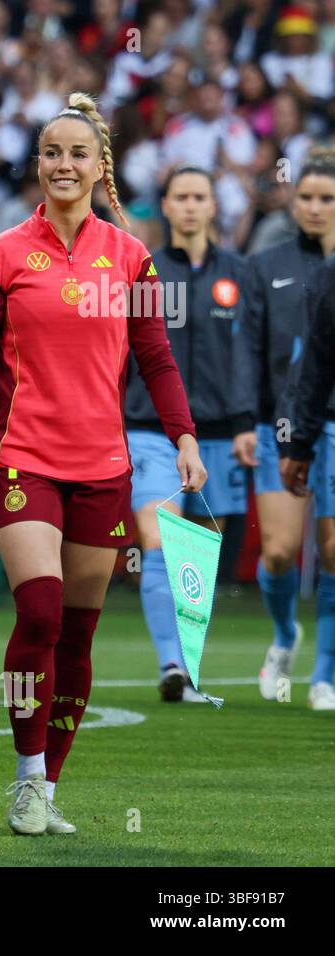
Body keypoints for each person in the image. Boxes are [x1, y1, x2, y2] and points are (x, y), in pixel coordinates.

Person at [0, 93, 204, 836]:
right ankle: (24, 780)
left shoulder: (131, 256)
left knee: (79, 634)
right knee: (42, 612)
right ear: (38, 164)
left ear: (98, 166)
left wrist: (183, 438)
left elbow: (156, 356)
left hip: (105, 465)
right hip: (23, 460)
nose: (63, 164)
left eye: (77, 153)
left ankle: (48, 788)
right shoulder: (0, 256)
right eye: (51, 152)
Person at [127, 164, 254, 702]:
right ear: (166, 205)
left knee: (198, 555)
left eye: (200, 196)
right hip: (149, 429)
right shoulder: (142, 272)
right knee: (158, 541)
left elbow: (251, 356)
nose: (190, 205)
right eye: (180, 196)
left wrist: (249, 424)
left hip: (223, 434)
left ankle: (188, 660)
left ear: (213, 205)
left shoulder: (240, 275)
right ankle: (171, 665)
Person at [241, 149, 335, 703]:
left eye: (328, 199)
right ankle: (284, 634)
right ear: (291, 200)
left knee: (332, 549)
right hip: (278, 422)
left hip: (333, 420)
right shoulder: (266, 265)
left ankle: (325, 671)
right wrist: (244, 421)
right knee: (278, 550)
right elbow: (251, 352)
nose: (316, 208)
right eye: (307, 197)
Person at [279, 236, 335, 712]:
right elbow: (318, 362)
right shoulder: (331, 273)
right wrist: (299, 443)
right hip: (333, 424)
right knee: (333, 548)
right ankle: (325, 673)